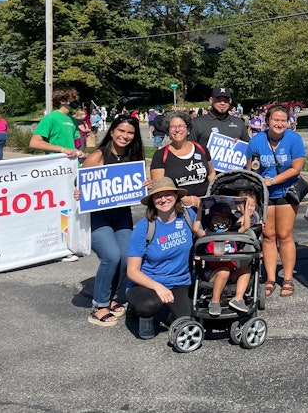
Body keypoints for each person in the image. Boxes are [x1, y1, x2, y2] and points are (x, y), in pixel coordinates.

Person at [81, 113, 149, 326]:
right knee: (111, 256)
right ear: (112, 131)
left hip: (122, 216)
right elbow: (82, 186)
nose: (125, 136)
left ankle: (114, 298)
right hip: (97, 218)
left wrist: (145, 185)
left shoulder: (134, 158)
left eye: (130, 132)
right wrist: (78, 192)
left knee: (127, 256)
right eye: (121, 131)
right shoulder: (97, 156)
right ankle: (99, 306)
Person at [245, 105, 305, 298]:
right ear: (267, 121)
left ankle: (287, 278)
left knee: (285, 234)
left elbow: (296, 168)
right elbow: (250, 172)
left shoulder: (294, 139)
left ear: (288, 122)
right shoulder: (256, 141)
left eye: (283, 120)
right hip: (264, 193)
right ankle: (270, 278)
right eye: (275, 120)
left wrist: (272, 180)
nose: (279, 124)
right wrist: (252, 195)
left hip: (287, 191)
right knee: (268, 235)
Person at [126, 177, 197, 340]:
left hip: (180, 282)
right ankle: (142, 315)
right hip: (147, 283)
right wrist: (158, 287)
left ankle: (164, 311)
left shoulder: (188, 216)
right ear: (152, 200)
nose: (163, 199)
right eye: (158, 196)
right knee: (150, 305)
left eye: (168, 194)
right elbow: (132, 271)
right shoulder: (145, 227)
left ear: (176, 195)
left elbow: (204, 235)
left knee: (189, 321)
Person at [194, 201, 252, 315]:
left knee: (246, 269)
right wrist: (200, 208)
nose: (220, 222)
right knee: (223, 271)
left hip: (231, 271)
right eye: (216, 219)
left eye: (223, 219)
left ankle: (238, 299)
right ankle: (215, 301)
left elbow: (246, 226)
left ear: (229, 221)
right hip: (212, 273)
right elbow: (196, 229)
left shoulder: (233, 234)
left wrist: (245, 209)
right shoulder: (208, 234)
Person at [150, 111, 215, 206]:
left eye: (181, 126)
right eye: (172, 127)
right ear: (168, 131)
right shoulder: (160, 155)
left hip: (205, 206)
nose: (177, 130)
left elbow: (211, 173)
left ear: (188, 129)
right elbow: (159, 188)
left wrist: (211, 194)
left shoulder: (201, 149)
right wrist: (187, 200)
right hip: (177, 208)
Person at [30, 86, 85, 161]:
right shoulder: (50, 118)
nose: (75, 101)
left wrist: (77, 151)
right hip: (56, 165)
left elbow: (70, 144)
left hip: (71, 163)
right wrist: (63, 149)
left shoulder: (72, 119)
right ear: (62, 101)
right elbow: (34, 143)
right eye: (72, 98)